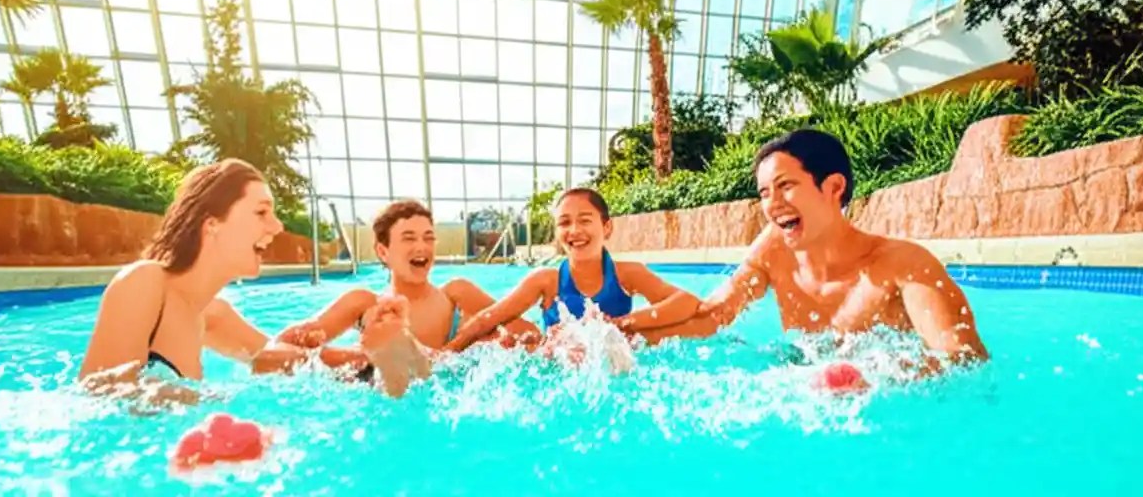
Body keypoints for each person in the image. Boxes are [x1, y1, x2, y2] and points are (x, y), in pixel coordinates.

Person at [634, 129, 989, 373]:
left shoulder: (903, 265)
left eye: (785, 186)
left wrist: (881, 375)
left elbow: (964, 359)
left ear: (834, 187)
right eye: (764, 193)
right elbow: (712, 315)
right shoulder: (774, 248)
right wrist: (621, 340)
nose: (772, 205)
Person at [77, 159, 422, 402]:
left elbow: (289, 361)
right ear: (212, 223)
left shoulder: (213, 314)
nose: (276, 227)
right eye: (261, 212)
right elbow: (102, 397)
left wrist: (374, 352)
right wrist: (216, 402)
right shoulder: (145, 282)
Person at [443, 187, 701, 353]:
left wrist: (624, 324)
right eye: (564, 223)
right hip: (558, 362)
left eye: (585, 220)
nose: (574, 231)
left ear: (606, 227)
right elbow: (490, 317)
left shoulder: (627, 274)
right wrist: (449, 352)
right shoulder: (547, 280)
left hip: (607, 365)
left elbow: (686, 301)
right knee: (521, 339)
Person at [276, 200, 542, 354]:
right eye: (408, 238)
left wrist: (488, 343)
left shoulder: (457, 296)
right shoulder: (364, 304)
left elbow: (531, 338)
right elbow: (289, 344)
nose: (422, 247)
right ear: (383, 251)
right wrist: (355, 360)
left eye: (429, 238)